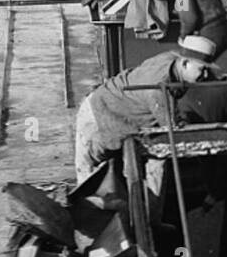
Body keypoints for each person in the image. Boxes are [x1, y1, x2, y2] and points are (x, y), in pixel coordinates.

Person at [73, 35, 219, 186]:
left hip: (125, 115)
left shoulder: (172, 60)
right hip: (98, 115)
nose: (206, 75)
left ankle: (146, 204)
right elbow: (174, 130)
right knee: (89, 182)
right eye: (202, 69)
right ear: (185, 63)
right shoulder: (158, 87)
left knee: (148, 167)